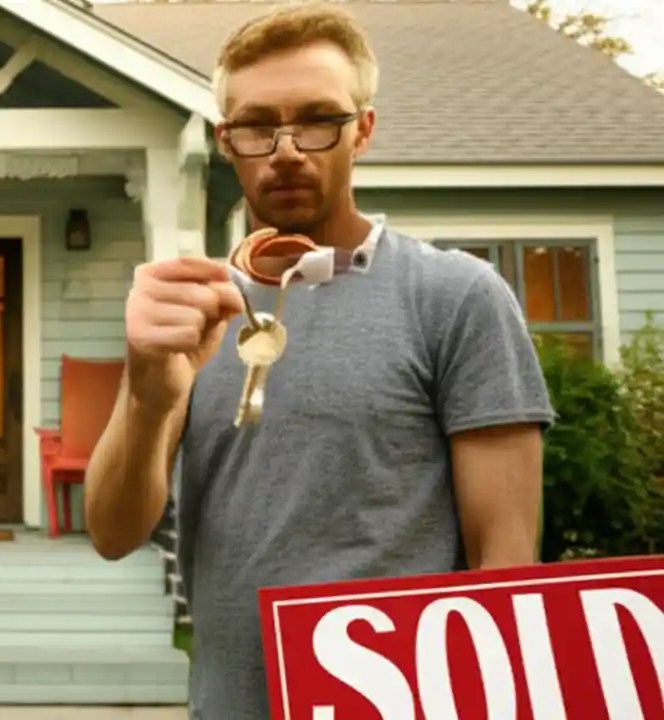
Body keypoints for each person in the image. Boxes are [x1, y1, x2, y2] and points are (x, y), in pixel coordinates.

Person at [82, 3, 556, 718]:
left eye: (317, 119)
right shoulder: (191, 313)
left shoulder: (454, 297)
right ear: (226, 141)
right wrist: (150, 395)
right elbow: (114, 535)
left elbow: (506, 564)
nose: (286, 148)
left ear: (363, 130)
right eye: (256, 125)